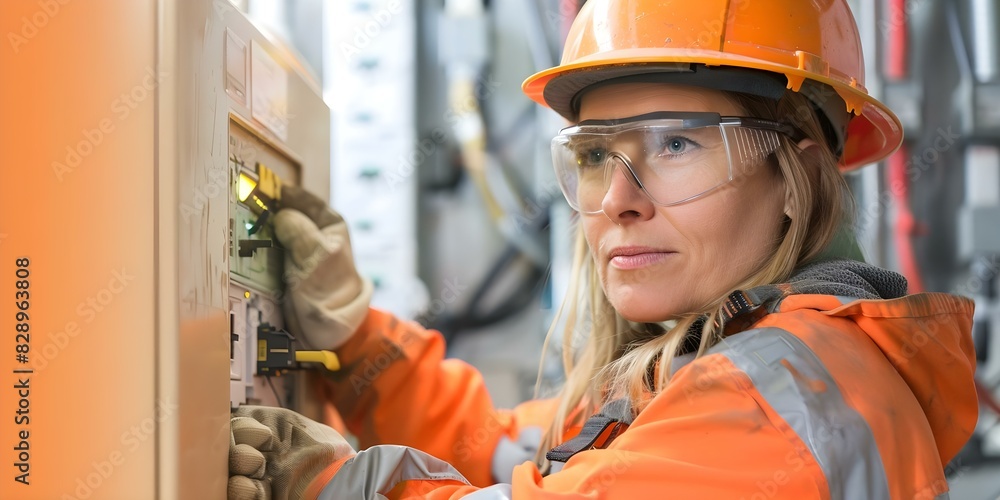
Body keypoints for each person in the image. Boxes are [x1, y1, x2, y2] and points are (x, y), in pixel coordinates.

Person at [228, 1, 979, 498]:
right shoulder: (710, 369)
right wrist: (354, 338)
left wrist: (327, 484)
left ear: (798, 178)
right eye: (593, 155)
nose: (619, 198)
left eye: (676, 143)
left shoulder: (774, 404)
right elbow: (500, 452)